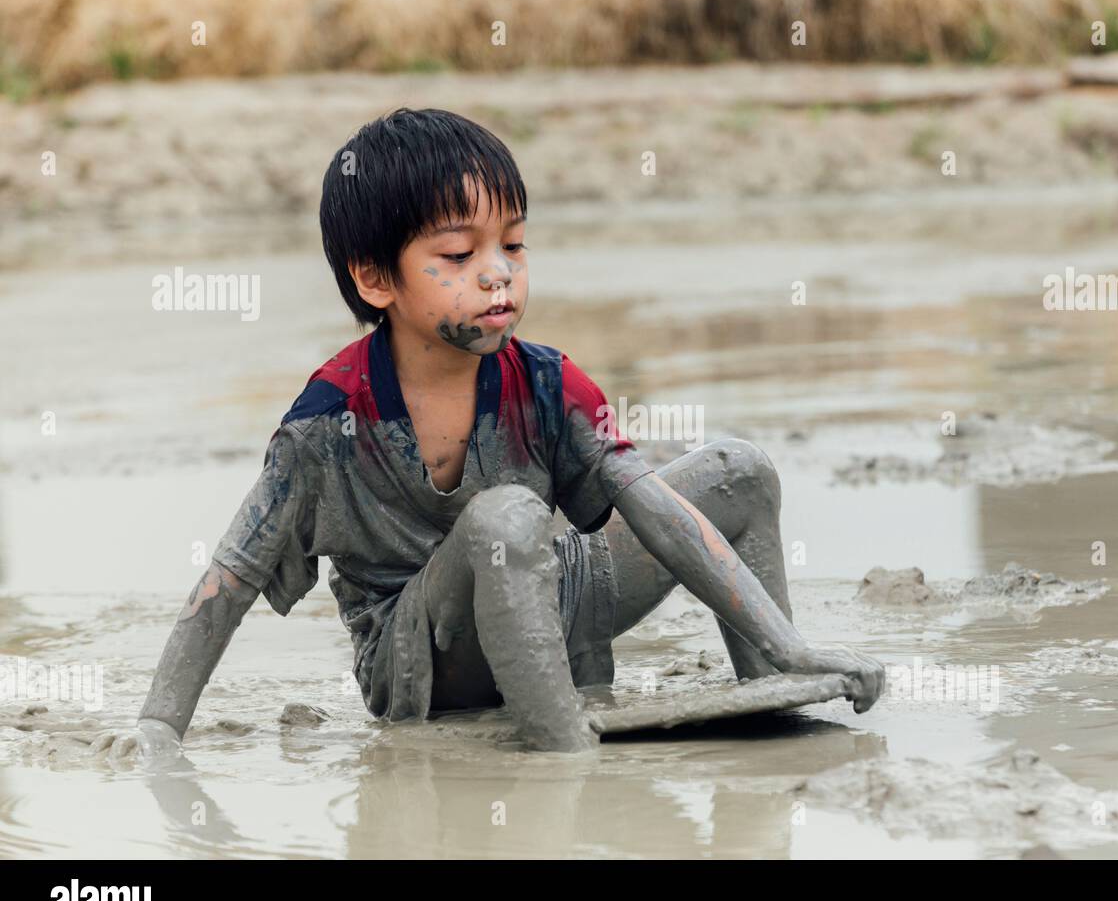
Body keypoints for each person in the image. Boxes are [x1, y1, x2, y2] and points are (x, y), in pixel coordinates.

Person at [104, 108, 884, 758]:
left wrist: (790, 648)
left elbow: (652, 509)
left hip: (553, 595)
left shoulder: (548, 380)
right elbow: (230, 579)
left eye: (512, 244)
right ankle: (562, 748)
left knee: (738, 472)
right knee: (508, 513)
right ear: (375, 278)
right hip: (427, 660)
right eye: (458, 253)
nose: (498, 273)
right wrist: (157, 728)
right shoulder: (325, 423)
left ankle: (771, 694)